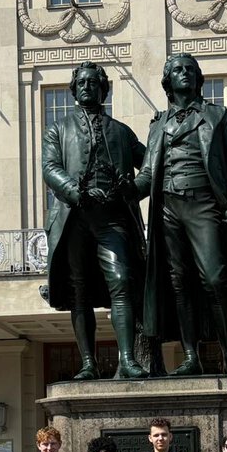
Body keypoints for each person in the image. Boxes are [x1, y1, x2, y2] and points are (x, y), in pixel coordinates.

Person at [134, 52, 227, 377]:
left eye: (190, 69)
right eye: (177, 70)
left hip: (204, 203)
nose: (184, 74)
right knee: (179, 283)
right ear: (168, 80)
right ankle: (191, 356)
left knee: (215, 279)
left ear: (198, 78)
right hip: (167, 208)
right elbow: (148, 175)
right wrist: (119, 191)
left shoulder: (219, 116)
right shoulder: (159, 124)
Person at [41, 61, 149, 380]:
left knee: (122, 281)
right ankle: (88, 362)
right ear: (75, 90)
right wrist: (76, 191)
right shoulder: (57, 129)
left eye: (94, 82)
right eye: (83, 83)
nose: (88, 86)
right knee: (79, 289)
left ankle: (127, 359)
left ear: (104, 89)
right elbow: (50, 167)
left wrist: (132, 191)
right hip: (74, 217)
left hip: (112, 218)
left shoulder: (121, 132)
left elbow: (151, 167)